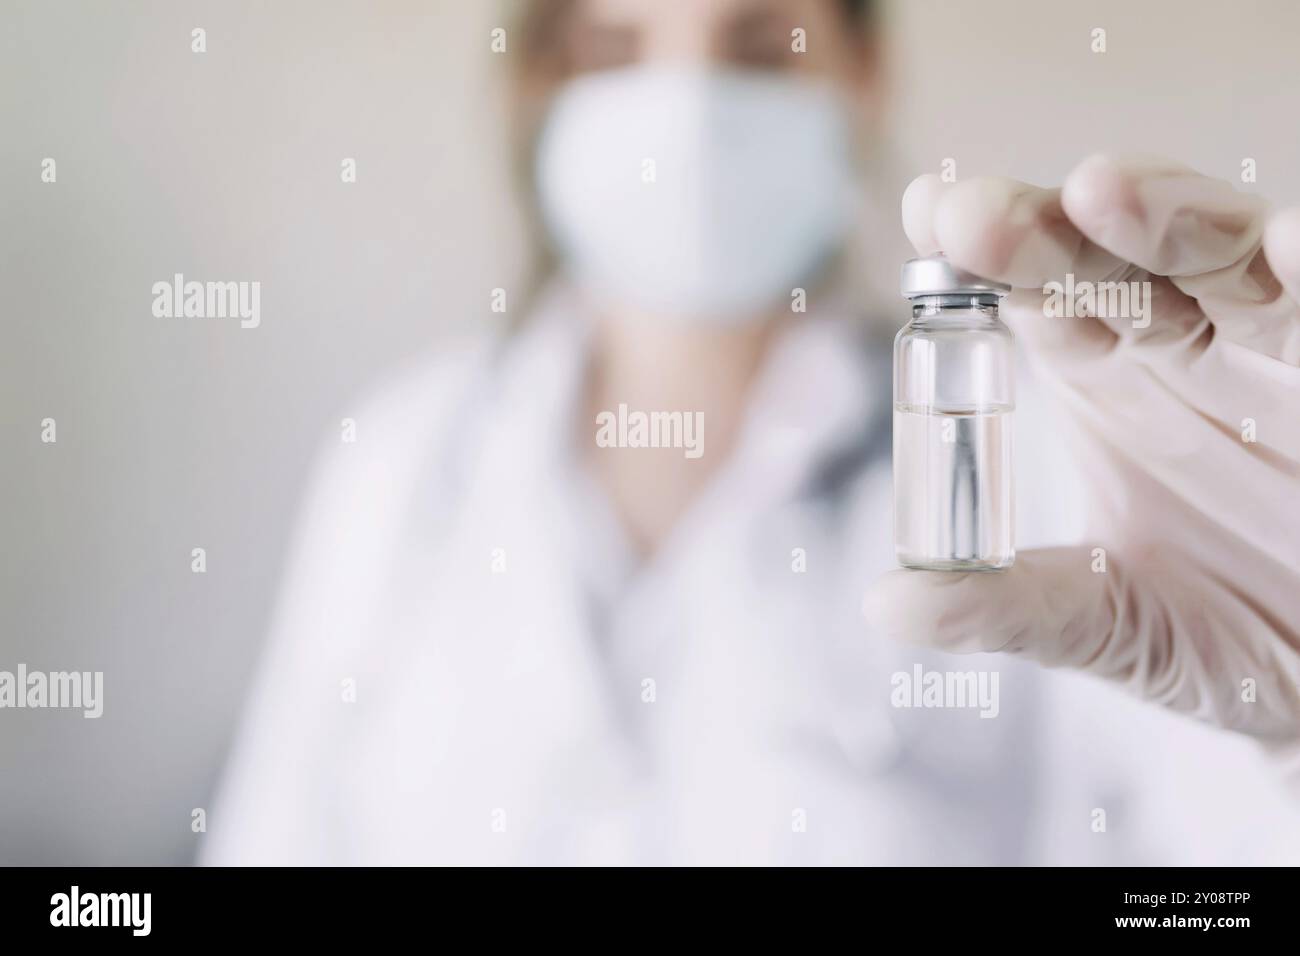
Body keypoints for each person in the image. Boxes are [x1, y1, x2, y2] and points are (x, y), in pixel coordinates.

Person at [205, 0, 1300, 865]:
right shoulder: (399, 463)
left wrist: (1287, 732)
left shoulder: (1046, 447)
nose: (685, 110)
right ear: (537, 87)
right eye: (615, 45)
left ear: (860, 78)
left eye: (756, 47)